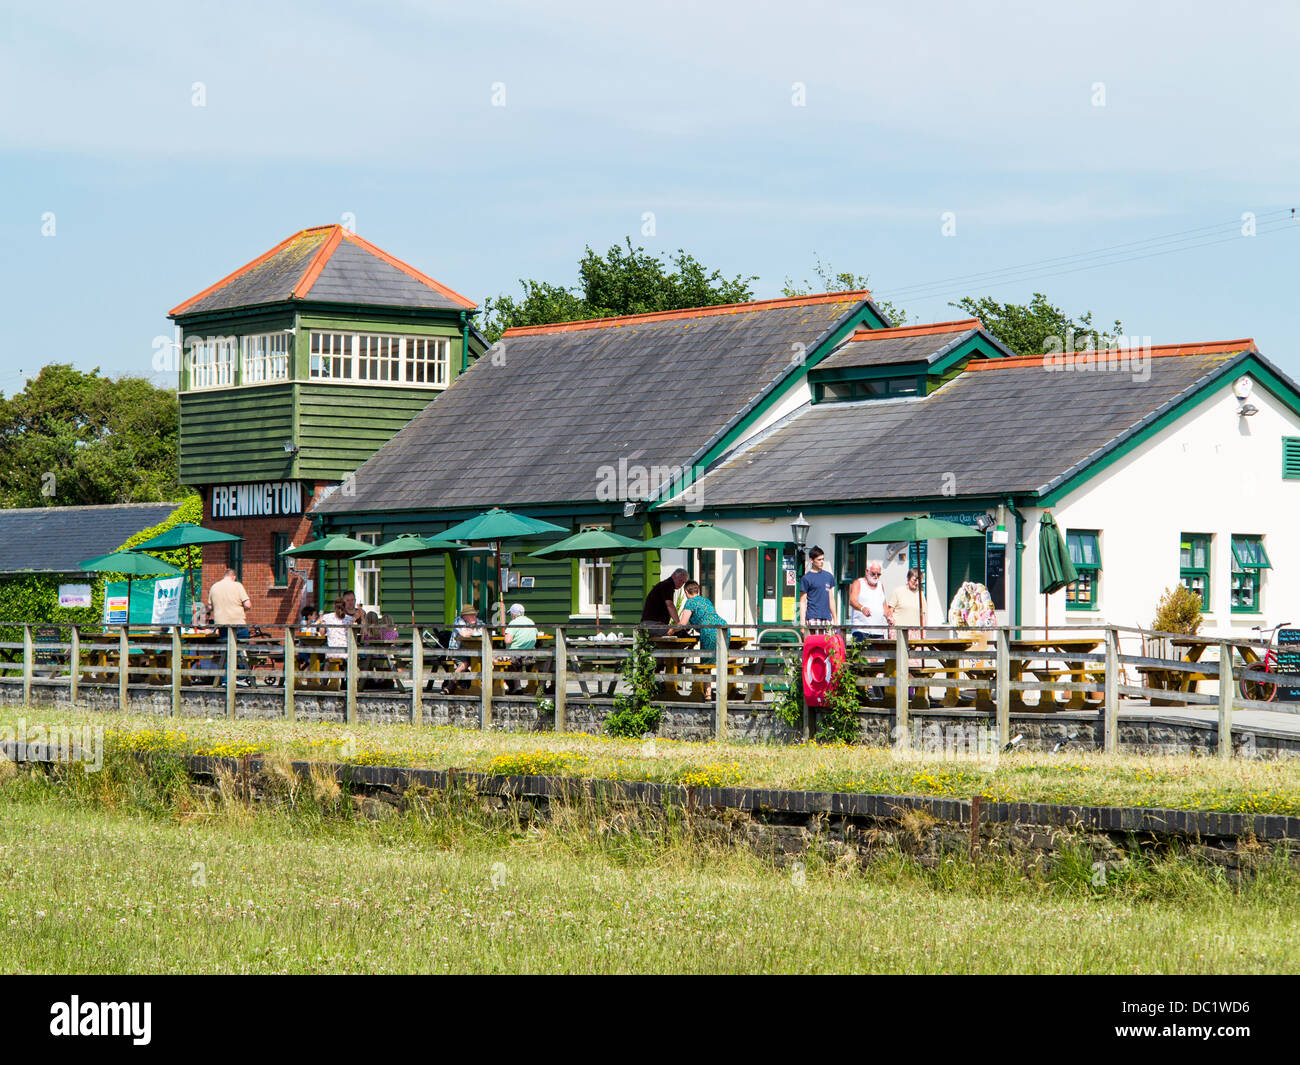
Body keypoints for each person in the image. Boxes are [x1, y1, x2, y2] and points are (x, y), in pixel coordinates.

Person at [677, 580, 729, 653]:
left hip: (709, 630)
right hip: (723, 626)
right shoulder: (706, 600)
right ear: (698, 591)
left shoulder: (690, 602)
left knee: (709, 659)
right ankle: (742, 655)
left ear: (686, 592)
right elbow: (705, 616)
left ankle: (742, 655)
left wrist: (671, 630)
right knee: (722, 656)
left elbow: (683, 623)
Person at [443, 603, 484, 692]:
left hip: (472, 650)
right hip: (456, 650)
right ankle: (451, 685)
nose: (474, 617)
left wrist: (471, 632)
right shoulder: (458, 621)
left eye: (475, 615)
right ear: (464, 616)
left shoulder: (478, 621)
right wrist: (474, 631)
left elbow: (484, 631)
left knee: (488, 660)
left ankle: (486, 686)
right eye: (471, 615)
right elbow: (464, 634)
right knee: (465, 663)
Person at [798, 547, 838, 630]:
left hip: (827, 618)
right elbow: (802, 601)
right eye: (819, 560)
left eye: (823, 559)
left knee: (828, 642)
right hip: (813, 617)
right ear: (811, 560)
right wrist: (802, 623)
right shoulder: (806, 578)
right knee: (814, 642)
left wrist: (835, 619)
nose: (822, 562)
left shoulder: (828, 576)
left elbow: (831, 599)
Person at [848, 561, 890, 641]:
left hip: (878, 632)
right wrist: (862, 608)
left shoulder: (880, 586)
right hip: (861, 630)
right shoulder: (858, 583)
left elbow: (885, 607)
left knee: (879, 653)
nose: (876, 576)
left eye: (878, 574)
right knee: (861, 653)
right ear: (867, 571)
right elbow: (852, 601)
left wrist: (889, 616)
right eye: (873, 573)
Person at [502, 603, 538, 694]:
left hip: (517, 657)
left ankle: (515, 687)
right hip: (531, 656)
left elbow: (507, 641)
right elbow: (536, 635)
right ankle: (530, 687)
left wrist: (505, 634)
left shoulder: (513, 623)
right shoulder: (531, 621)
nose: (511, 616)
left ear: (513, 614)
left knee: (498, 660)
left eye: (510, 614)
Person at [640, 568, 687, 634]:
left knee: (678, 633)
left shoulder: (665, 585)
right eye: (680, 580)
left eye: (683, 582)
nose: (681, 584)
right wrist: (678, 623)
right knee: (674, 632)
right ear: (674, 576)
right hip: (652, 624)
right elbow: (670, 605)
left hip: (654, 623)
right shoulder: (666, 585)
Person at [208, 568, 251, 639]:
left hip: (221, 624)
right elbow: (247, 604)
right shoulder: (238, 586)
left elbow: (210, 607)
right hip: (237, 622)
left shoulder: (214, 587)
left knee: (225, 646)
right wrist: (244, 609)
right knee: (241, 646)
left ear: (224, 576)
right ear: (234, 577)